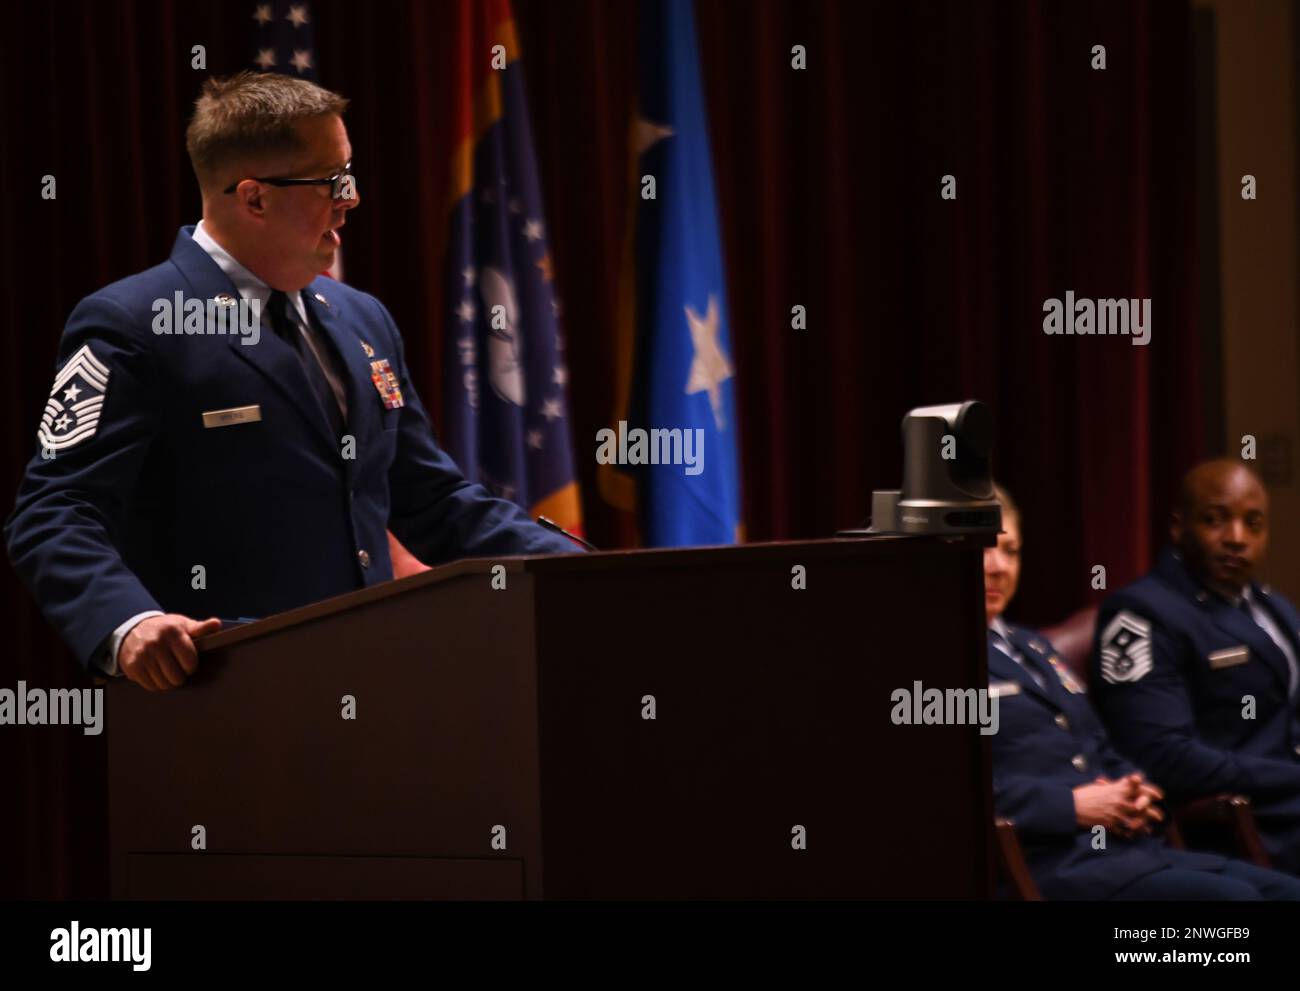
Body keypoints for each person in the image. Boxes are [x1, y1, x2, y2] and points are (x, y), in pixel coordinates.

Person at [4, 72, 578, 694]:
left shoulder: (361, 317)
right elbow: (54, 510)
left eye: (350, 175)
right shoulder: (134, 322)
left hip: (380, 690)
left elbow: (429, 500)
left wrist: (580, 572)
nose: (351, 198)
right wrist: (129, 623)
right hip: (227, 699)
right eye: (332, 181)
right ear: (253, 198)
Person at [984, 483, 1300, 898]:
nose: (999, 566)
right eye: (985, 548)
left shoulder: (1033, 647)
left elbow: (1097, 743)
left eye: (1012, 551)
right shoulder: (930, 664)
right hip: (1052, 869)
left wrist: (1132, 790)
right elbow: (947, 795)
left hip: (1128, 853)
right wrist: (1071, 806)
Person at [1090, 458, 1300, 873]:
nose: (1237, 538)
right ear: (1178, 527)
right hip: (1241, 820)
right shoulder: (1140, 616)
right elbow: (1164, 756)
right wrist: (1289, 777)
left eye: (1253, 524)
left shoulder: (1273, 607)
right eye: (1215, 520)